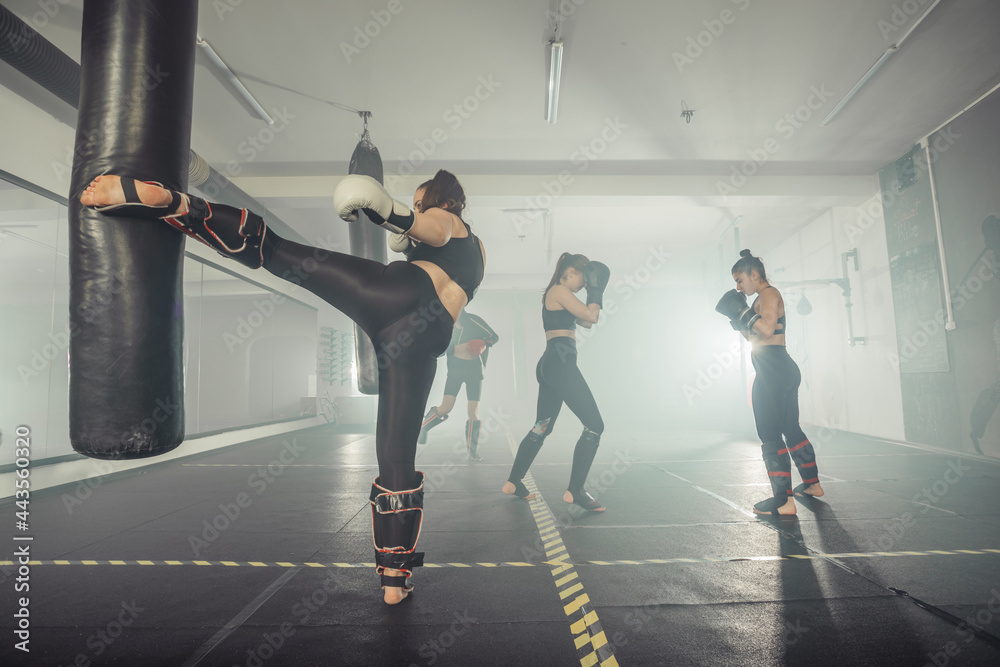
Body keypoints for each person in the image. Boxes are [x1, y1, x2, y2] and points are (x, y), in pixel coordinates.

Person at [80, 169, 484, 604]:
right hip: (424, 340)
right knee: (396, 454)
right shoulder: (475, 255)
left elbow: (433, 228)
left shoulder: (449, 223)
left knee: (276, 251)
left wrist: (390, 209)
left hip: (398, 295)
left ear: (442, 201)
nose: (419, 207)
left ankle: (174, 203)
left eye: (421, 200)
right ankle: (394, 576)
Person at [715, 249, 824, 517]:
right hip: (777, 367)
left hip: (773, 370)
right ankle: (812, 484)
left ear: (754, 274)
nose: (738, 286)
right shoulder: (760, 300)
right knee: (789, 427)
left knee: (769, 433)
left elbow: (765, 329)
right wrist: (737, 317)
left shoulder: (768, 294)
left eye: (740, 280)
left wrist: (742, 313)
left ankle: (783, 500)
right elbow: (755, 338)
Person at [502, 253, 610, 512]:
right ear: (571, 271)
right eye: (584, 279)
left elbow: (586, 322)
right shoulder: (559, 290)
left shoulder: (561, 294)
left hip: (552, 364)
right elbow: (593, 316)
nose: (585, 285)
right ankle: (576, 490)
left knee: (542, 427)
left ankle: (514, 482)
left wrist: (595, 292)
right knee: (595, 425)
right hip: (560, 365)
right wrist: (595, 294)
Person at [418, 311, 500, 461]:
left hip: (475, 370)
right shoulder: (444, 326)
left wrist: (483, 344)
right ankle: (424, 427)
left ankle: (472, 451)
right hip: (455, 371)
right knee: (446, 408)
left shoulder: (474, 320)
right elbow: (437, 350)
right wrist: (454, 349)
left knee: (473, 412)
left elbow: (494, 337)